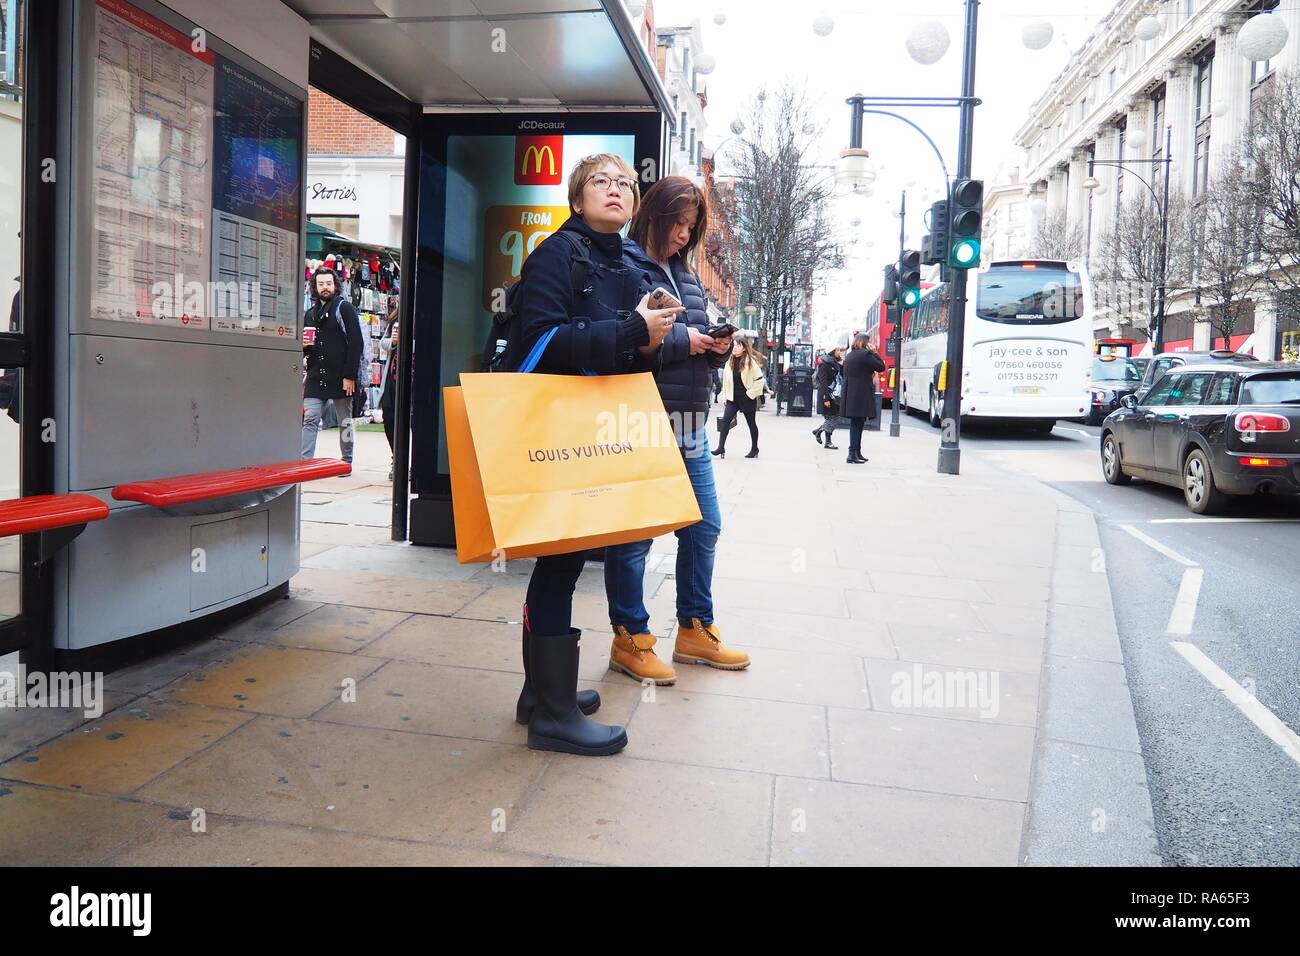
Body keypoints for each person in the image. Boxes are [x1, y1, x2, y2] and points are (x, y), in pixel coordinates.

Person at [514, 154, 682, 757]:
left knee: (568, 556)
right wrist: (632, 333)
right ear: (577, 197)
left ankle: (541, 692)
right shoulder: (557, 253)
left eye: (626, 185)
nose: (617, 191)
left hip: (600, 425)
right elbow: (537, 341)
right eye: (602, 182)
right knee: (561, 558)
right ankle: (553, 714)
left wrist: (672, 341)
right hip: (564, 428)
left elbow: (634, 348)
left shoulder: (632, 261)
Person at [604, 176, 748, 688]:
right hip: (643, 421)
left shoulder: (687, 276)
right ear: (655, 216)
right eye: (678, 224)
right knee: (636, 538)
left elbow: (695, 339)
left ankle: (693, 628)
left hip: (689, 423)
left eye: (692, 227)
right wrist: (684, 343)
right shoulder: (622, 264)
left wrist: (718, 347)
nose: (685, 235)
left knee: (704, 526)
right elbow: (621, 339)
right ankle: (630, 637)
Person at [302, 266, 362, 464]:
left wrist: (350, 375)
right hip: (315, 375)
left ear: (335, 285)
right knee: (310, 418)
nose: (325, 288)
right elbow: (305, 346)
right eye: (321, 284)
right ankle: (304, 461)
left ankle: (347, 459)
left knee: (344, 421)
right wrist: (302, 346)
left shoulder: (344, 308)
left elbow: (356, 342)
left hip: (340, 375)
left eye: (328, 283)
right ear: (315, 286)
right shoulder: (310, 314)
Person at [712, 337, 765, 459]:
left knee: (751, 424)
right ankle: (721, 447)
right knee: (725, 421)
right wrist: (725, 397)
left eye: (738, 346)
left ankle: (754, 449)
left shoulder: (750, 362)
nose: (734, 348)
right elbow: (726, 381)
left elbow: (759, 381)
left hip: (746, 398)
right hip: (733, 399)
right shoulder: (729, 362)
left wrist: (750, 394)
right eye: (734, 345)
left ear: (744, 348)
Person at [840, 332, 886, 464]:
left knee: (857, 423)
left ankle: (856, 452)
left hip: (851, 394)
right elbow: (881, 367)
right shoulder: (865, 355)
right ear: (865, 342)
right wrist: (875, 352)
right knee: (857, 424)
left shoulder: (849, 355)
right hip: (861, 393)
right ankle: (852, 453)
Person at [377, 299, 401, 480]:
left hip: (416, 377)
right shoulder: (396, 318)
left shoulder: (425, 316)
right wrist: (393, 342)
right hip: (393, 377)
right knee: (389, 418)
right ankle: (397, 459)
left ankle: (412, 463)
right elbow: (382, 343)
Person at [813, 347, 844, 449]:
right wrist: (825, 398)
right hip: (827, 395)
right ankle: (828, 442)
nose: (840, 352)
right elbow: (823, 382)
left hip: (834, 395)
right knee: (831, 418)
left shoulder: (835, 363)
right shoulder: (825, 364)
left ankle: (819, 431)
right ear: (833, 351)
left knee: (835, 417)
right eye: (838, 350)